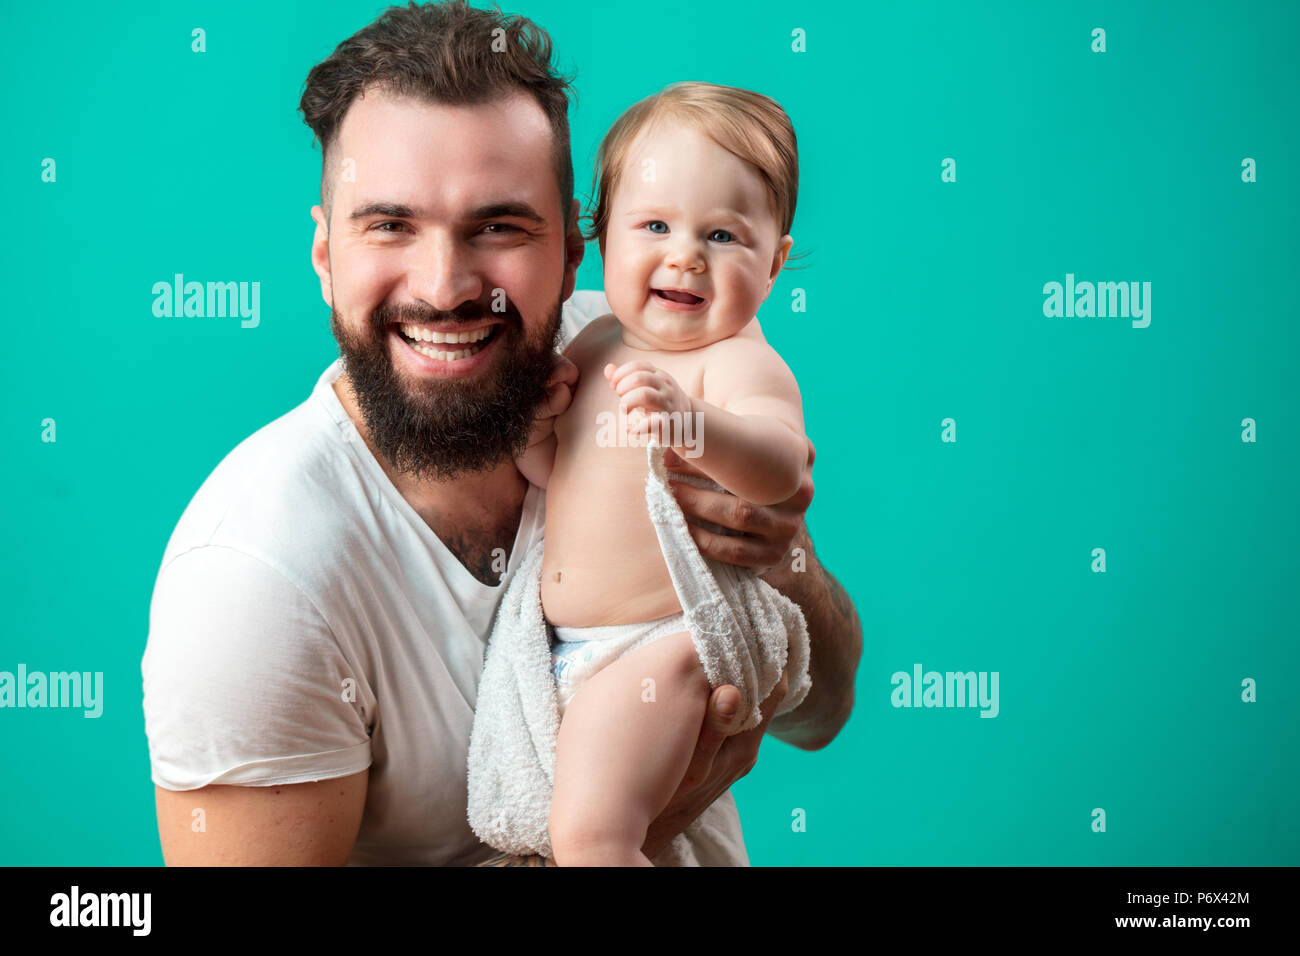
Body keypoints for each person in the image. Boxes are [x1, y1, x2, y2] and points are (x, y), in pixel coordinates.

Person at [141, 0, 862, 866]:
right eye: (391, 224)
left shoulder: (636, 361)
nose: (447, 288)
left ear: (572, 249)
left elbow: (822, 707)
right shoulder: (255, 585)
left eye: (498, 226)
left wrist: (780, 561)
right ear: (327, 256)